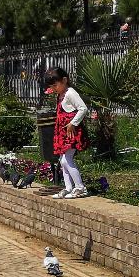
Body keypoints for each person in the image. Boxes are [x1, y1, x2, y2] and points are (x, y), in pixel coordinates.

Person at [48, 68, 89, 197]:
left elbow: (83, 108)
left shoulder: (70, 93)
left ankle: (80, 187)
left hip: (71, 132)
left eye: (55, 85)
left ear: (64, 80)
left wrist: (73, 123)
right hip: (63, 133)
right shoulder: (60, 95)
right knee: (62, 159)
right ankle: (69, 187)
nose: (54, 88)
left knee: (67, 159)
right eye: (52, 86)